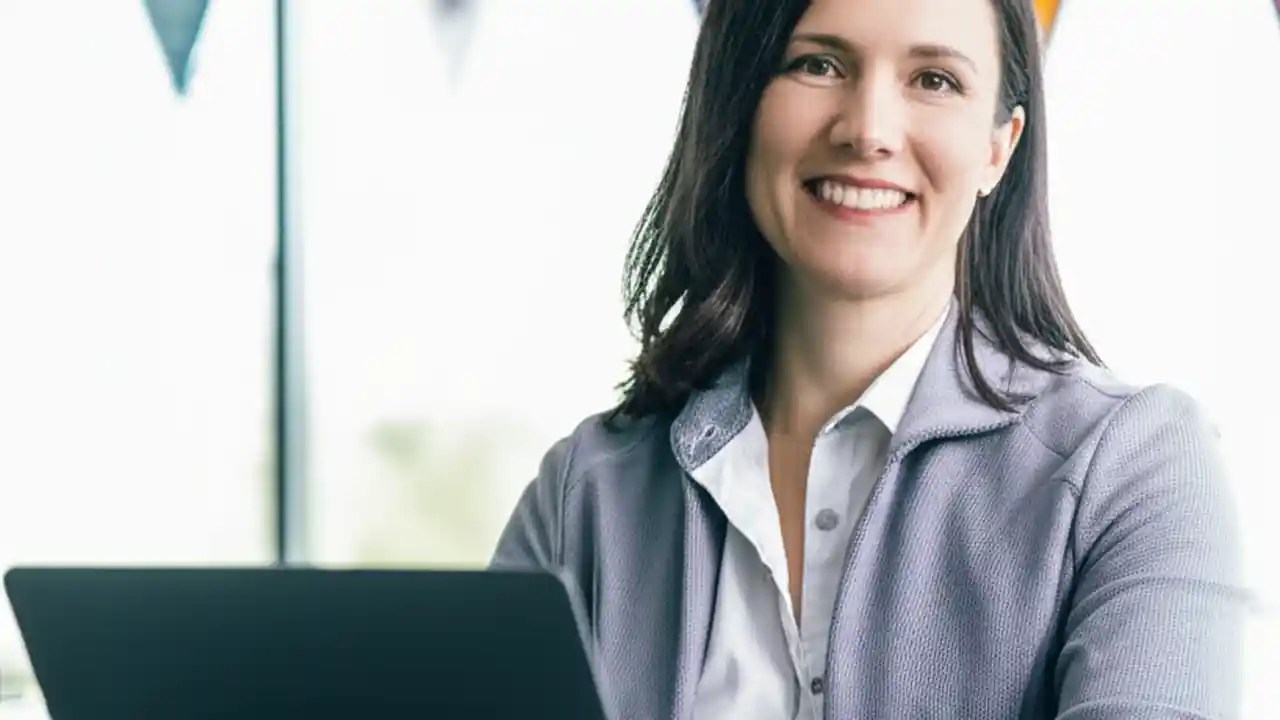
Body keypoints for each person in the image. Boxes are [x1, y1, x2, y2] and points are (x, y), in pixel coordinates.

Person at [491, 0, 1248, 717]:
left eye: (934, 79)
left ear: (998, 148)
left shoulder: (1133, 469)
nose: (869, 130)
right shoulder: (583, 497)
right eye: (818, 64)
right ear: (739, 103)